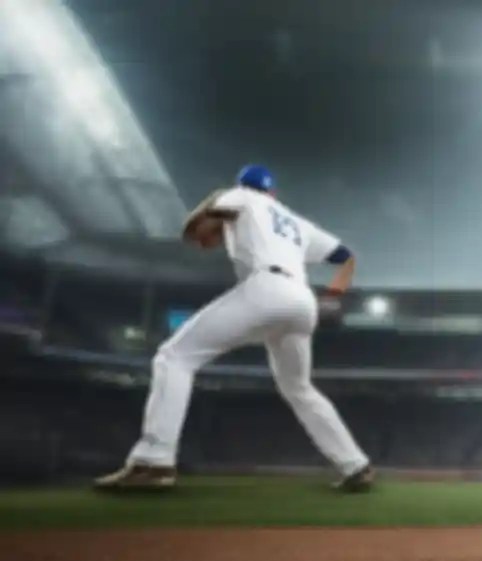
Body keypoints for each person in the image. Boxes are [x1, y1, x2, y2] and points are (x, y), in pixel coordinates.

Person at [94, 165, 375, 493]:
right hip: (303, 301)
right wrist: (334, 295)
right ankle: (355, 465)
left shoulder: (240, 196)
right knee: (299, 388)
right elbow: (345, 256)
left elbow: (195, 233)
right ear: (272, 191)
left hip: (266, 288)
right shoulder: (295, 221)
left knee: (174, 357)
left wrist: (213, 202)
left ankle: (153, 461)